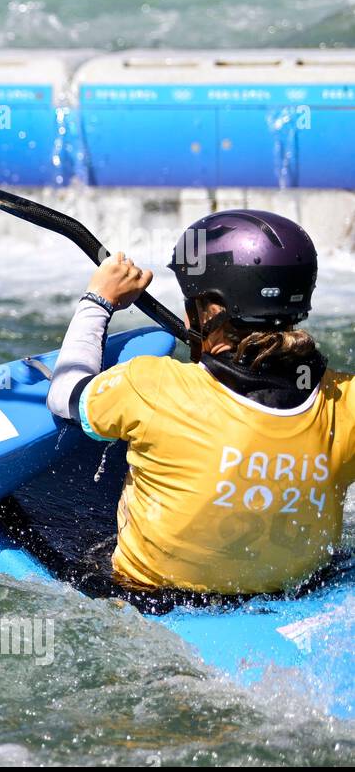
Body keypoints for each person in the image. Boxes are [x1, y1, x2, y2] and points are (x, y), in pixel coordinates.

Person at [46, 210, 352, 598]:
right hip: (302, 592)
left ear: (211, 309)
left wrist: (98, 300)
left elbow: (64, 394)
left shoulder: (151, 387)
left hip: (154, 601)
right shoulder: (346, 401)